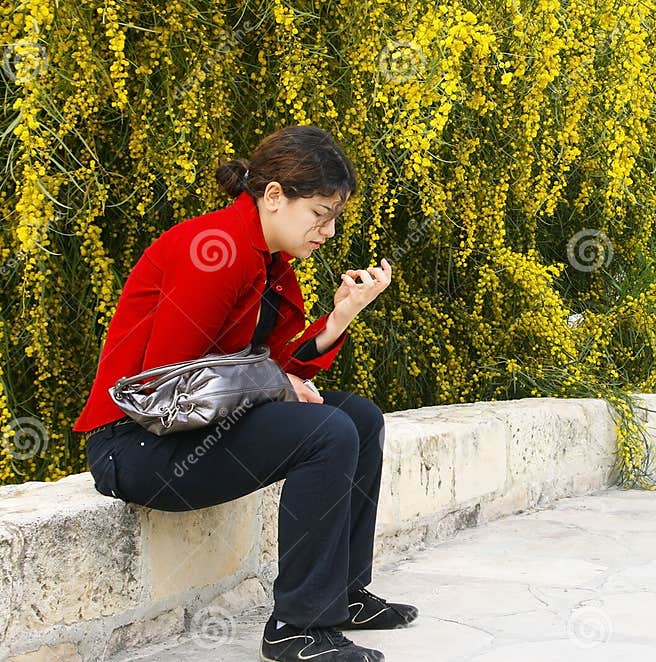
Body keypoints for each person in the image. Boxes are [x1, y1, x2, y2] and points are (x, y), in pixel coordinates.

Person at [72, 125, 416, 662]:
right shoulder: (215, 250)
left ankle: (343, 594)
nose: (327, 231)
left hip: (194, 430)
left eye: (334, 217)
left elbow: (276, 368)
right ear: (274, 196)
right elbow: (169, 385)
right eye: (320, 214)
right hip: (135, 445)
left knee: (362, 418)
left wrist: (343, 314)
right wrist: (279, 386)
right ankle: (297, 629)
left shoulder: (269, 262)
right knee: (328, 432)